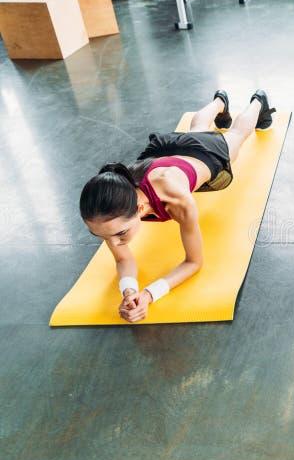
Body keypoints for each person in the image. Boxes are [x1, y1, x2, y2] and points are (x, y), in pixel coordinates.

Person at [79, 89, 276, 322]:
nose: (114, 243)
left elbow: (194, 262)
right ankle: (219, 102)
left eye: (120, 234)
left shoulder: (178, 200)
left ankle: (257, 102)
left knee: (237, 136)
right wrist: (130, 291)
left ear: (141, 210)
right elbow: (123, 259)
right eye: (100, 236)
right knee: (195, 130)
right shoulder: (114, 206)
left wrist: (150, 294)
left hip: (203, 155)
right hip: (160, 153)